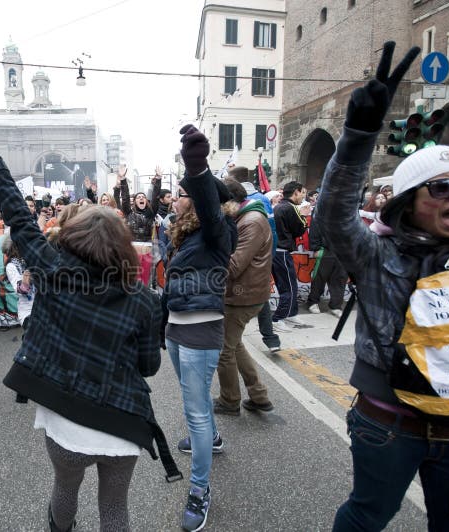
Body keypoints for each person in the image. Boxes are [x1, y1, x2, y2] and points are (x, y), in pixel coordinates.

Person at [0, 115, 180, 532]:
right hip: (122, 423)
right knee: (115, 511)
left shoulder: (51, 267)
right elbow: (148, 367)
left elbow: (17, 215)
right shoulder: (144, 300)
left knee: (64, 493)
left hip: (65, 422)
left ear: (72, 238)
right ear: (121, 246)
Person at [319, 41, 449, 531]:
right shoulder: (377, 254)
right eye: (443, 187)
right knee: (366, 516)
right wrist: (358, 135)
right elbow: (334, 213)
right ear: (411, 202)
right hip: (389, 424)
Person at [166, 125, 235, 531]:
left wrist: (196, 165)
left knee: (194, 413)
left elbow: (211, 203)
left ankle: (199, 489)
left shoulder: (216, 230)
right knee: (195, 404)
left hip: (202, 330)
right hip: (177, 330)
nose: (176, 197)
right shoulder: (183, 236)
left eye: (183, 191)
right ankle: (213, 438)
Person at [214, 179, 275, 417]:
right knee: (235, 344)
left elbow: (234, 265)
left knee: (224, 349)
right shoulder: (244, 218)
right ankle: (259, 395)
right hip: (242, 293)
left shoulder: (251, 222)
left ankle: (229, 400)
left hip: (243, 295)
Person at [229, 167, 281, 353]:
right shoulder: (257, 201)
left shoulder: (256, 204)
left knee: (258, 295)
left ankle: (270, 336)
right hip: (252, 258)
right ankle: (269, 337)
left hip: (254, 259)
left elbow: (269, 230)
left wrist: (267, 256)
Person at [271, 181, 310, 330]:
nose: (303, 196)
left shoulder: (279, 206)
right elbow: (299, 230)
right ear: (295, 192)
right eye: (302, 193)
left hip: (278, 251)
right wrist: (304, 216)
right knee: (288, 287)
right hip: (281, 252)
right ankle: (277, 318)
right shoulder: (290, 207)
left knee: (290, 284)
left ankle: (291, 314)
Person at [305, 204, 348, 317]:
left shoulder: (349, 205)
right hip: (325, 249)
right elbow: (315, 227)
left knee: (340, 278)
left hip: (343, 250)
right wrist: (315, 247)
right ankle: (313, 302)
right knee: (320, 277)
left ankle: (336, 305)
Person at [2, 236, 34, 330]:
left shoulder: (32, 258)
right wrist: (28, 272)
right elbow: (21, 290)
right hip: (28, 311)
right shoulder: (11, 266)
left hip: (45, 308)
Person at [117, 166, 156, 242]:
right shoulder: (129, 213)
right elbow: (125, 198)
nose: (141, 198)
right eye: (138, 197)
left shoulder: (150, 213)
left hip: (147, 249)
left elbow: (155, 199)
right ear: (134, 202)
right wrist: (123, 179)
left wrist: (158, 180)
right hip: (132, 249)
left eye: (143, 197)